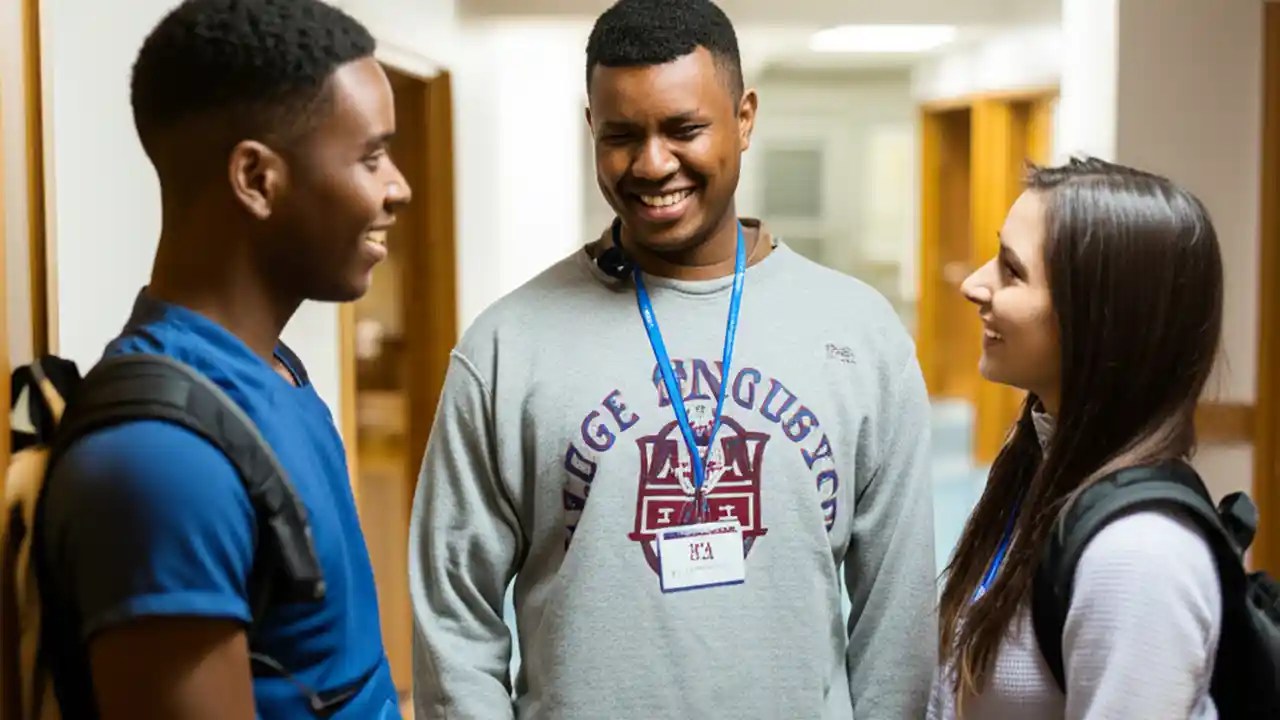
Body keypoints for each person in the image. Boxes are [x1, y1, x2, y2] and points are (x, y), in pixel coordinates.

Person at [409, 0, 936, 717]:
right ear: (591, 128)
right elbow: (453, 620)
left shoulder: (859, 336)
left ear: (744, 119)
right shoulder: (507, 347)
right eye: (622, 135)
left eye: (684, 130)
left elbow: (896, 623)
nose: (653, 164)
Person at [35, 0, 411, 717]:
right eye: (371, 158)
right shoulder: (162, 458)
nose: (398, 187)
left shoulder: (274, 373)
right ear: (256, 179)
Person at [928, 156, 1224, 718]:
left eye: (1012, 271)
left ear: (1098, 317)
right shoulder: (1037, 470)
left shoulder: (1140, 556)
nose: (973, 285)